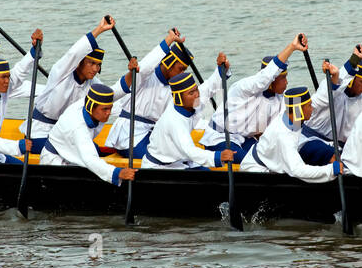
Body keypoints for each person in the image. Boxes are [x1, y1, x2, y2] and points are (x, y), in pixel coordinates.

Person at [197, 33, 307, 161]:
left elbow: (293, 124)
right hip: (220, 137)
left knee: (269, 158)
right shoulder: (244, 87)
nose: (286, 82)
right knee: (251, 163)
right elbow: (263, 78)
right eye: (282, 78)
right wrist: (292, 47)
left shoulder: (281, 98)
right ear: (271, 80)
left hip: (245, 140)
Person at [19, 15, 114, 153]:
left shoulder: (93, 84)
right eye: (91, 63)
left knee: (94, 150)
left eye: (98, 65)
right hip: (39, 132)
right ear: (78, 63)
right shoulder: (60, 73)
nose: (95, 69)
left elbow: (111, 95)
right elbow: (74, 53)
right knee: (85, 151)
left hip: (63, 133)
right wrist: (100, 29)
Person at [103, 28, 190, 158]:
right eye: (181, 69)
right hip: (129, 134)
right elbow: (146, 64)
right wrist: (169, 39)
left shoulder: (175, 87)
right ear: (168, 63)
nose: (182, 74)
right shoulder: (143, 76)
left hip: (152, 134)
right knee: (162, 159)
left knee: (184, 157)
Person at [39, 77, 137, 185]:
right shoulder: (78, 127)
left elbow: (118, 89)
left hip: (71, 148)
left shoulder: (90, 102)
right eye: (105, 109)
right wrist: (118, 173)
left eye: (110, 108)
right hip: (55, 161)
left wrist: (131, 72)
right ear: (91, 108)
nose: (109, 113)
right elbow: (90, 159)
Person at [238, 86, 342, 183]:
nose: (312, 109)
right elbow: (297, 170)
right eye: (309, 105)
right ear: (299, 109)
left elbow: (319, 99)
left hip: (272, 162)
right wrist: (331, 170)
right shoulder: (284, 136)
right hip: (256, 171)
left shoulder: (292, 116)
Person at [142, 64, 234, 170]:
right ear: (179, 99)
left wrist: (222, 69)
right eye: (191, 93)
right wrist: (218, 156)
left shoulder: (192, 100)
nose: (197, 95)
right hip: (160, 167)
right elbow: (190, 151)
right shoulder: (174, 121)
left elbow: (209, 87)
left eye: (196, 90)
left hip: (180, 161)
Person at [298, 46, 362, 164]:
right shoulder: (330, 92)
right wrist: (353, 60)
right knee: (336, 158)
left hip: (337, 148)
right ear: (351, 80)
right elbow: (337, 82)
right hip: (309, 141)